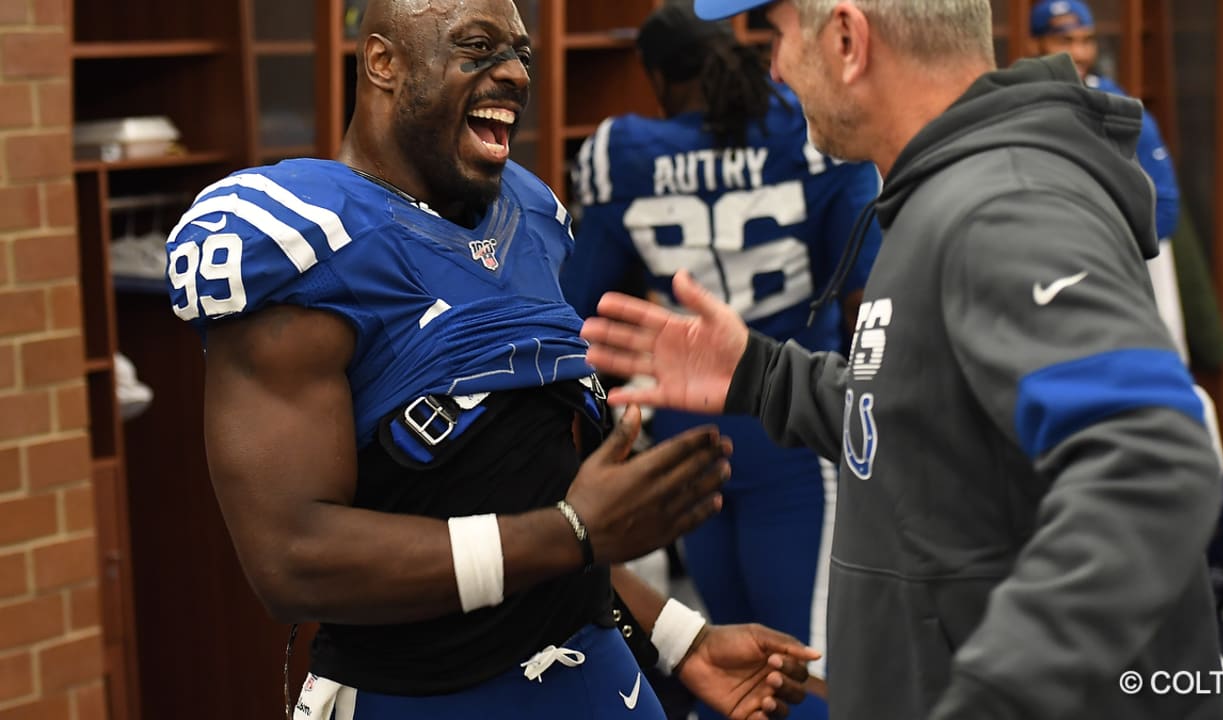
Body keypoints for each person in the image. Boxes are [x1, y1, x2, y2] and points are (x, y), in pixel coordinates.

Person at [162, 0, 821, 718]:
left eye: (519, 53)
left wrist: (680, 638)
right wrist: (571, 531)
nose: (512, 72)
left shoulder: (530, 214)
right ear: (383, 61)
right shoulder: (302, 242)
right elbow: (291, 559)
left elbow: (542, 508)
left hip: (598, 674)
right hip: (427, 697)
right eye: (476, 48)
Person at [580, 0, 1223, 718]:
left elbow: (1153, 464)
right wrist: (762, 375)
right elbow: (924, 409)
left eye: (780, 36)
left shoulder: (1002, 205)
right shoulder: (940, 193)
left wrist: (990, 698)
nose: (775, 66)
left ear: (849, 40)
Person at [562, 6, 882, 719]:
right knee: (802, 673)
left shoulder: (622, 152)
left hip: (688, 439)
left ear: (656, 77)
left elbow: (581, 305)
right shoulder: (807, 136)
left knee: (730, 671)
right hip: (797, 435)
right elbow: (867, 298)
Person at [1029, 0, 1189, 360]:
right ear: (1034, 44)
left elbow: (1165, 208)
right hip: (1035, 274)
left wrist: (1099, 248)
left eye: (1087, 40)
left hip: (1113, 279)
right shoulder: (1015, 107)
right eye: (1064, 40)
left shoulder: (1123, 113)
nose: (1080, 52)